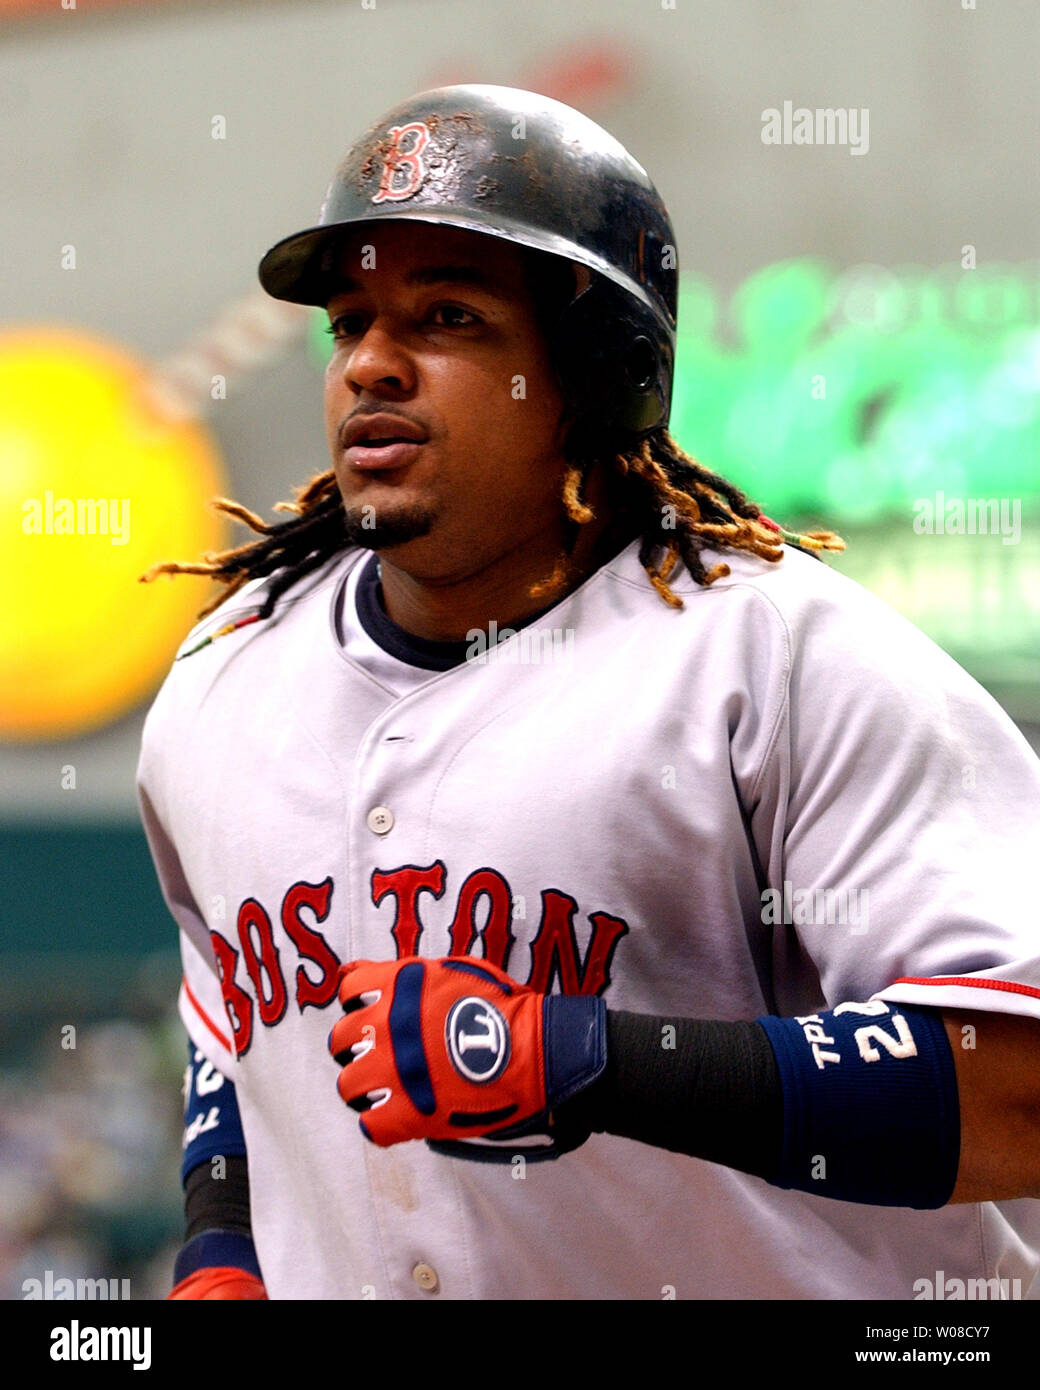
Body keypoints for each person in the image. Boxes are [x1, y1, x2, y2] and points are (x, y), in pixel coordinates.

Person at [137, 85, 1040, 1301]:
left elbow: (1016, 1084)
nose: (369, 366)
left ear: (596, 370)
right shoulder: (226, 676)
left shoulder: (781, 660)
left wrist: (591, 1059)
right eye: (350, 323)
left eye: (445, 316)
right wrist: (220, 1245)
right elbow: (226, 1023)